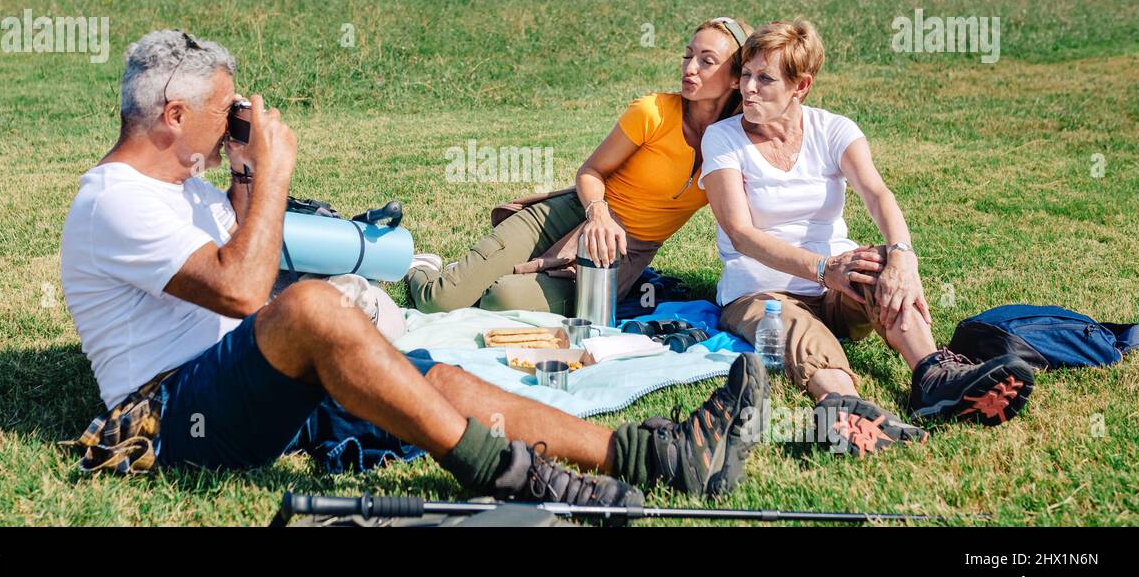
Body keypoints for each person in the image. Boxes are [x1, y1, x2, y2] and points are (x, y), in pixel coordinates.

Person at [59, 29, 769, 505]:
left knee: (440, 378)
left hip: (250, 382)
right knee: (309, 307)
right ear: (175, 115)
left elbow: (251, 259)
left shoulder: (186, 188)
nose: (237, 121)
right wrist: (272, 176)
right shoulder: (112, 201)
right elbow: (246, 293)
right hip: (174, 414)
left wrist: (245, 179)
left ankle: (658, 457)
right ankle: (499, 470)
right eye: (226, 111)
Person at [700, 20, 1034, 457]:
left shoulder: (832, 129)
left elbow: (876, 194)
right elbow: (741, 234)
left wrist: (901, 256)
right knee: (796, 326)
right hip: (760, 289)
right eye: (746, 75)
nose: (748, 88)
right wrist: (822, 269)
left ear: (801, 86)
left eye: (765, 79)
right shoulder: (723, 138)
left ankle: (933, 377)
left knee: (881, 270)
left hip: (840, 283)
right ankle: (844, 408)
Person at [408, 17, 750, 315]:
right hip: (574, 212)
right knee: (439, 299)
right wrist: (599, 214)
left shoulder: (734, 145)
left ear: (736, 78)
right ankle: (423, 267)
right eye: (688, 55)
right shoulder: (653, 112)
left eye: (707, 61)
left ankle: (477, 275)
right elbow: (590, 172)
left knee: (501, 297)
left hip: (623, 253)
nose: (690, 69)